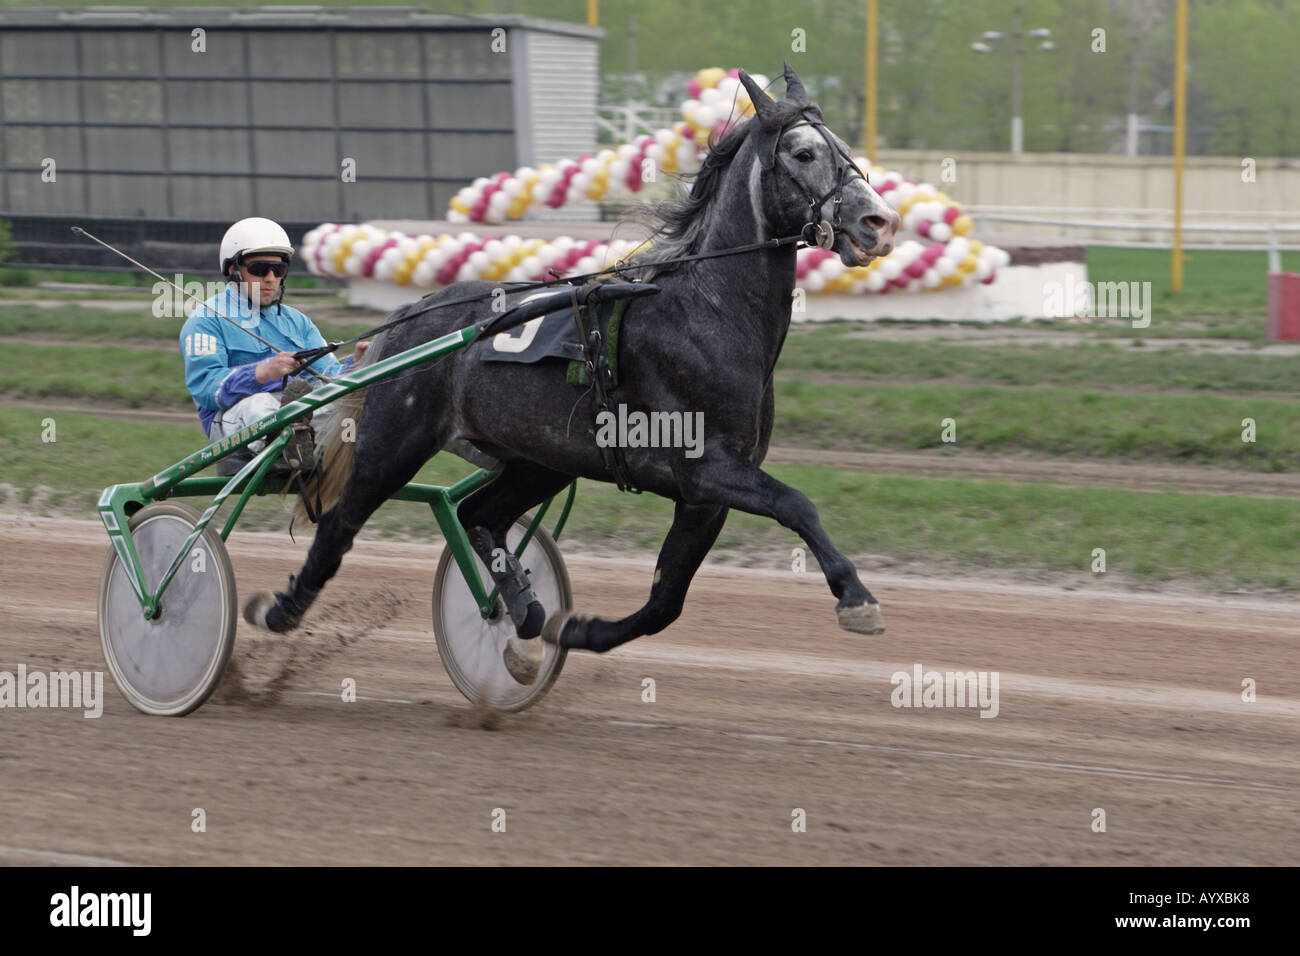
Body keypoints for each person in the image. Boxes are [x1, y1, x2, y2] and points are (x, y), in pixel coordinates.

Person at [179, 217, 368, 471]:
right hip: (231, 419)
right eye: (259, 269)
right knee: (259, 404)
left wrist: (355, 365)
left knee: (350, 408)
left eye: (278, 271)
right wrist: (263, 373)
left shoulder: (299, 322)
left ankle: (300, 437)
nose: (270, 278)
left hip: (298, 409)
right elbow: (205, 388)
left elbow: (329, 380)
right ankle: (290, 439)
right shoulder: (205, 320)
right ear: (233, 269)